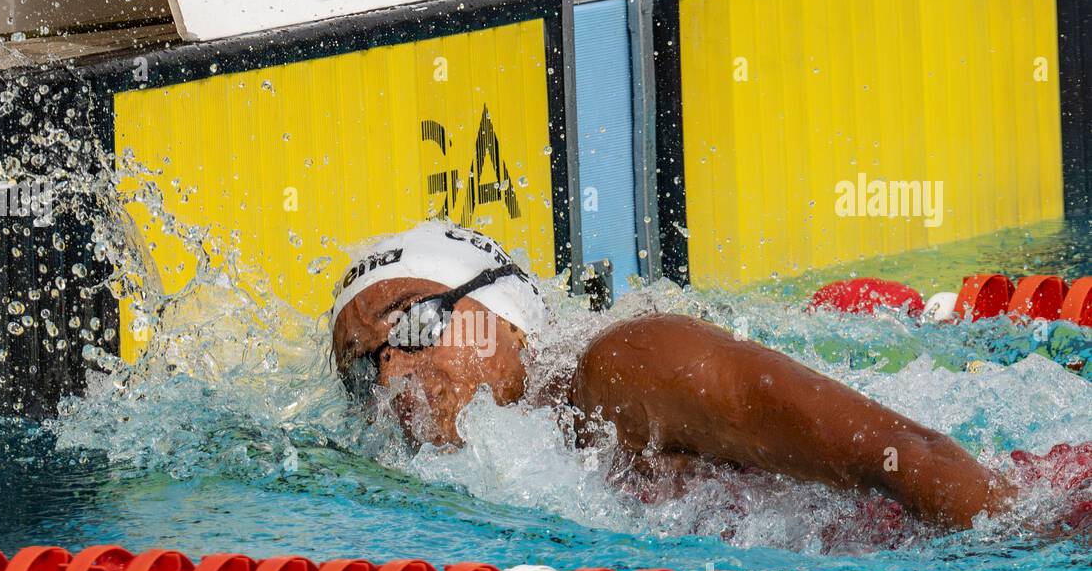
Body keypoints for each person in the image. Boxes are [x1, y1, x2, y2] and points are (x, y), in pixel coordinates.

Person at [330, 222, 1017, 530]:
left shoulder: (626, 366)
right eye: (364, 369)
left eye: (416, 325)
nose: (393, 372)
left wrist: (1011, 552)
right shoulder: (519, 466)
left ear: (508, 321)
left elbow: (911, 456)